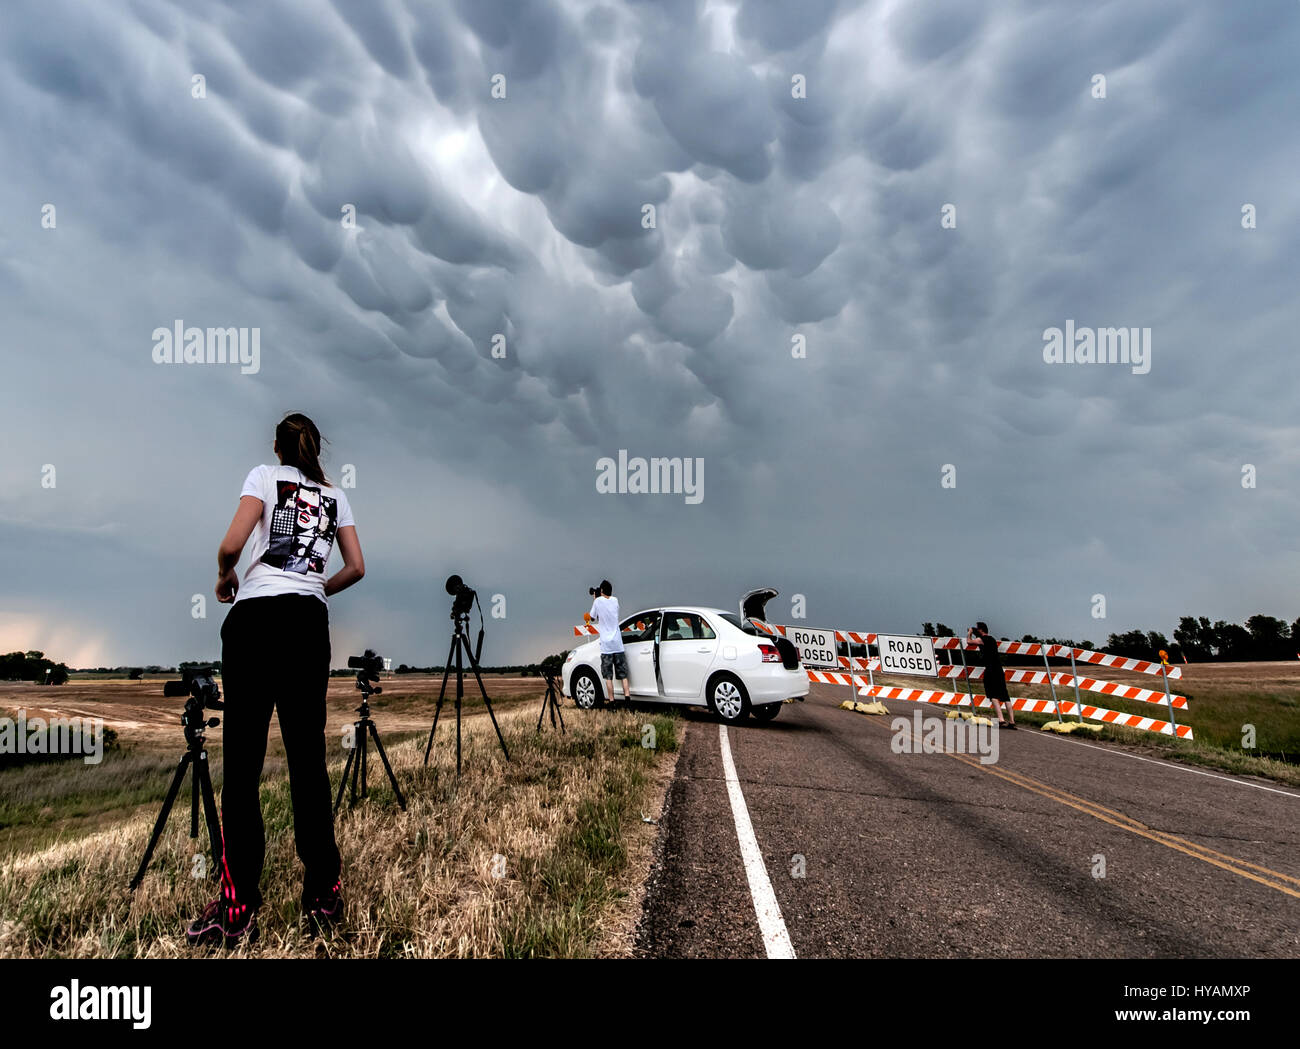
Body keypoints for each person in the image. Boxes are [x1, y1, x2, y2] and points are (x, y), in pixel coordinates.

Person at [187, 413, 365, 948]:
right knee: (307, 760)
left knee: (242, 764)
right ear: (316, 450)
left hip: (256, 621)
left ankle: (238, 908)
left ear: (277, 447)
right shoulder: (336, 496)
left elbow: (231, 545)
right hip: (307, 625)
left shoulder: (264, 476)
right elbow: (356, 566)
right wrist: (314, 589)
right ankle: (323, 896)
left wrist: (225, 575)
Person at [589, 580, 630, 705]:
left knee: (608, 676)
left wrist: (595, 598)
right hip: (618, 644)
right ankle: (627, 699)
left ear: (601, 590)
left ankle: (612, 701)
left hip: (606, 646)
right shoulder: (615, 600)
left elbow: (592, 618)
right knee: (623, 675)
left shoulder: (597, 601)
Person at [968, 622, 1016, 729]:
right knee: (1005, 696)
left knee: (993, 695)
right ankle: (1012, 721)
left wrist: (970, 633)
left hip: (990, 669)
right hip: (999, 669)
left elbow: (969, 642)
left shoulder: (982, 639)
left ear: (981, 630)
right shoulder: (992, 639)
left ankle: (1001, 720)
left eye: (977, 629)